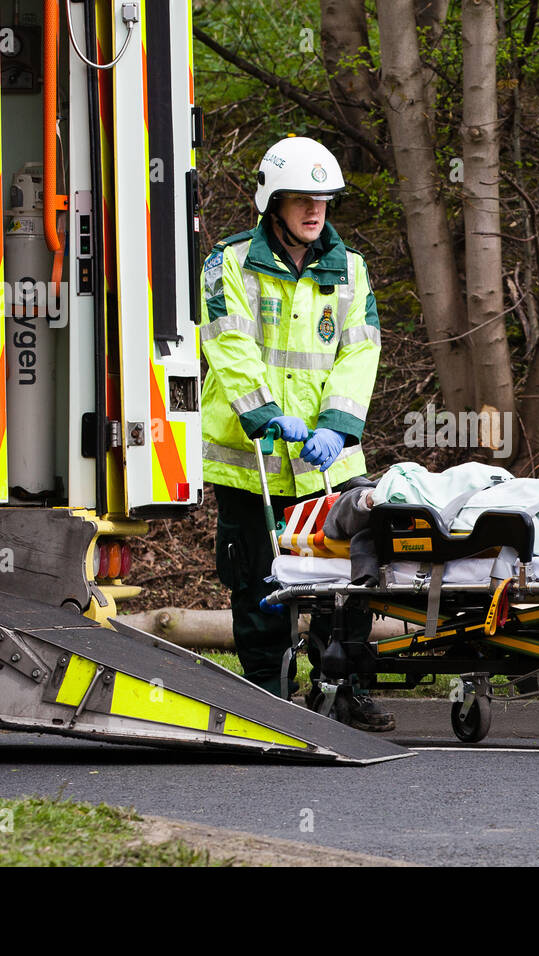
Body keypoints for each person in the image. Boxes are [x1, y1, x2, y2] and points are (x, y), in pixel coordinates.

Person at [199, 135, 392, 731]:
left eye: (324, 201)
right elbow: (228, 345)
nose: (315, 212)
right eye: (302, 200)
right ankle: (267, 695)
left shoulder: (350, 270)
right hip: (250, 458)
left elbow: (360, 354)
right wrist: (268, 413)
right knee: (258, 580)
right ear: (273, 202)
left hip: (328, 463)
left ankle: (345, 688)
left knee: (349, 578)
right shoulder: (228, 263)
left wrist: (336, 426)